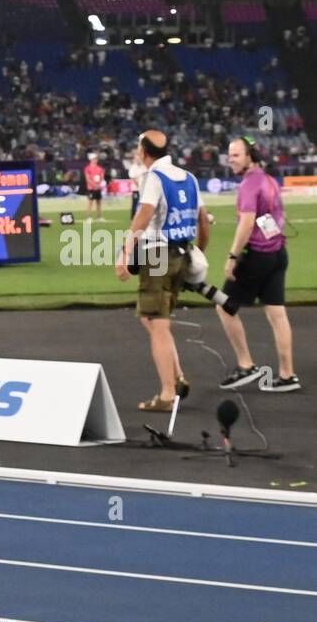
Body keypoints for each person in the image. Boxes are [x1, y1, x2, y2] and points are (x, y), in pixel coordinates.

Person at [115, 130, 211, 412]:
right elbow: (204, 222)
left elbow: (143, 217)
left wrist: (124, 252)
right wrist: (199, 252)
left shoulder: (154, 178)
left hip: (158, 255)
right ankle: (177, 376)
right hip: (181, 254)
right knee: (153, 318)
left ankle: (168, 394)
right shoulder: (189, 177)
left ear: (144, 153)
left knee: (157, 324)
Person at [215, 137, 300, 392]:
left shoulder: (249, 185)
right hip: (278, 254)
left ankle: (245, 365)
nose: (231, 159)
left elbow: (247, 223)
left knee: (224, 307)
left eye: (236, 155)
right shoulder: (270, 180)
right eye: (229, 154)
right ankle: (287, 375)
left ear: (250, 156)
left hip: (258, 256)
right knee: (277, 314)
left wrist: (232, 256)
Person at [83, 152, 105, 220]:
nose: (96, 160)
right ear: (91, 159)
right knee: (90, 202)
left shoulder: (100, 168)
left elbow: (102, 177)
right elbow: (87, 178)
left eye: (96, 159)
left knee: (99, 202)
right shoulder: (87, 168)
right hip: (91, 188)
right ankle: (89, 217)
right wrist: (94, 185)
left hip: (98, 188)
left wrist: (99, 185)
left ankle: (99, 216)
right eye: (94, 159)